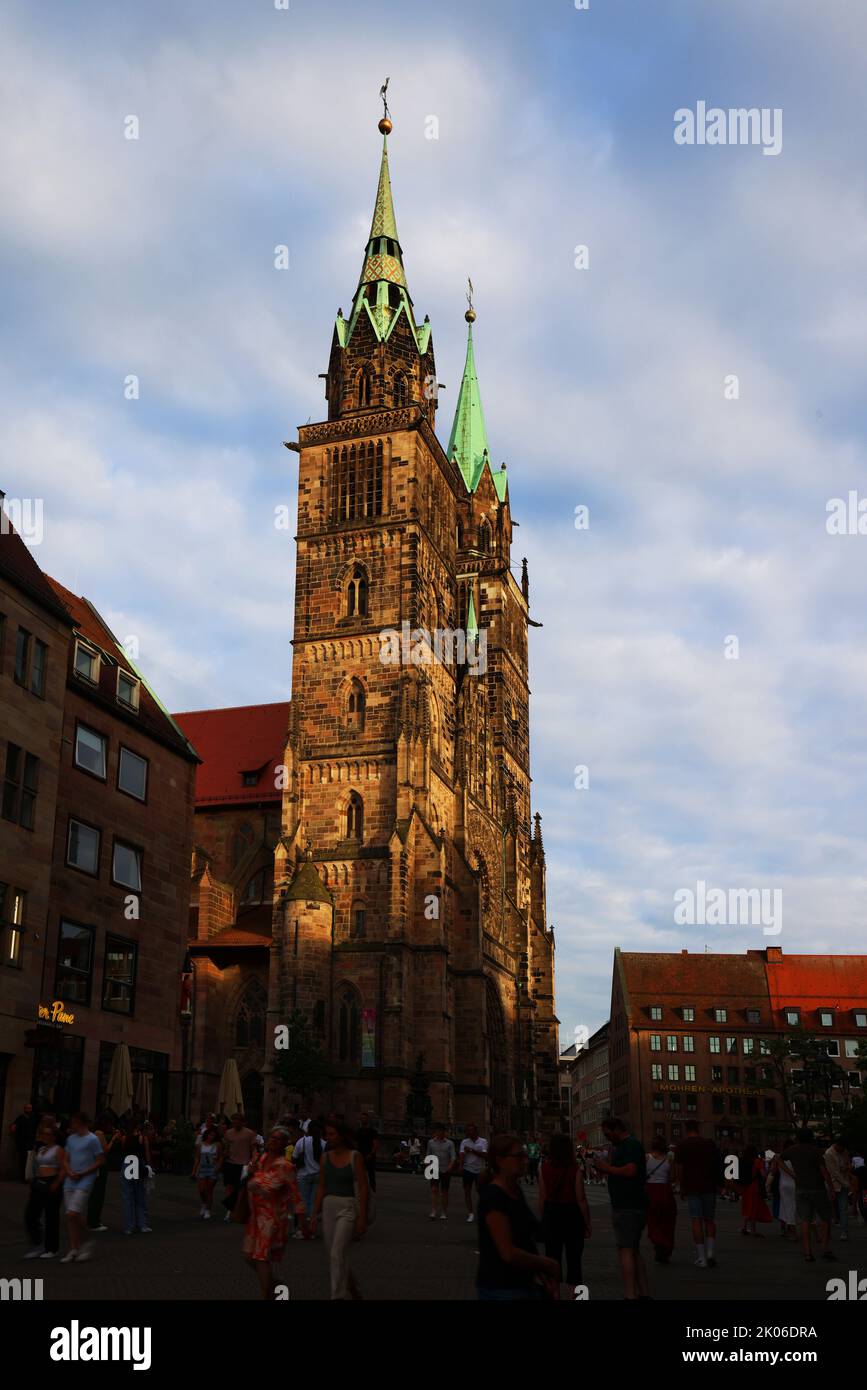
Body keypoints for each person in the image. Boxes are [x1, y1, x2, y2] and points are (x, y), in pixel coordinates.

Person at [476, 1134, 561, 1300]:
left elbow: (527, 1238)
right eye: (518, 1156)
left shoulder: (515, 1190)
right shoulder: (494, 1197)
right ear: (500, 1160)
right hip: (500, 1286)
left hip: (522, 1283)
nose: (525, 1161)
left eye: (525, 1156)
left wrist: (543, 1273)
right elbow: (507, 1252)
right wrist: (546, 1263)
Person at [243, 1127, 307, 1299]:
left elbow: (296, 1196)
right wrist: (250, 1173)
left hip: (272, 1218)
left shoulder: (286, 1167)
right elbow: (254, 1180)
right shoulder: (261, 1159)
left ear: (286, 1144)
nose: (274, 1141)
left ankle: (267, 1295)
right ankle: (275, 1284)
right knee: (248, 1256)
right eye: (272, 1137)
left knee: (262, 1257)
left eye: (279, 1139)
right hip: (255, 1216)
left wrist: (303, 1222)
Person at [311, 1120, 368, 1300]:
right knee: (335, 1255)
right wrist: (313, 1214)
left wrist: (362, 1217)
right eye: (327, 1135)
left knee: (337, 1252)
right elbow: (321, 1186)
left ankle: (338, 1296)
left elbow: (363, 1187)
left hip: (348, 1206)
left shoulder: (355, 1156)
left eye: (332, 1134)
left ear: (342, 1136)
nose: (328, 1138)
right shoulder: (325, 1157)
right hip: (329, 1206)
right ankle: (353, 1288)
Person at [593, 1116, 649, 1299]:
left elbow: (630, 1170)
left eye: (608, 1133)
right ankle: (643, 1293)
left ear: (617, 1129)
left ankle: (630, 1295)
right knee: (633, 1250)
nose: (608, 1137)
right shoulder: (623, 1147)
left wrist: (607, 1168)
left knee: (625, 1250)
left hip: (628, 1206)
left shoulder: (631, 1145)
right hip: (628, 1205)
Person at [538, 1131, 591, 1284]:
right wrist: (587, 1223)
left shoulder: (543, 1169)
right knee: (574, 1263)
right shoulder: (575, 1170)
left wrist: (543, 1219)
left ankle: (554, 1295)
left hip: (552, 1215)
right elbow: (581, 1199)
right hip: (572, 1216)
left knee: (553, 1261)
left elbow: (542, 1198)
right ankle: (577, 1296)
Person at [781, 1128, 836, 1263]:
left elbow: (778, 1159)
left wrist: (791, 1173)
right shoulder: (815, 1151)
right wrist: (831, 1188)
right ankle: (824, 1248)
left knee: (805, 1220)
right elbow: (824, 1171)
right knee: (825, 1218)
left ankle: (807, 1252)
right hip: (817, 1188)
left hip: (801, 1189)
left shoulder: (792, 1150)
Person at [674, 1119, 721, 1269]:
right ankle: (710, 1252)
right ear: (698, 1128)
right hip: (709, 1186)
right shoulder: (709, 1144)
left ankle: (701, 1257)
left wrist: (681, 1186)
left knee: (696, 1220)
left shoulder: (682, 1145)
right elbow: (716, 1165)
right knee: (709, 1220)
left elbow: (679, 1169)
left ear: (686, 1129)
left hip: (692, 1187)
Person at [60, 1112, 105, 1263]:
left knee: (73, 1213)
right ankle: (74, 1248)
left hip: (85, 1180)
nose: (72, 1125)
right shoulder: (70, 1139)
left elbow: (100, 1160)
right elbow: (65, 1158)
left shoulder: (92, 1139)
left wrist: (84, 1172)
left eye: (74, 1122)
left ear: (82, 1123)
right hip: (70, 1179)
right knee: (71, 1217)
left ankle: (87, 1240)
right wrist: (68, 1170)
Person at [24, 1116, 66, 1259]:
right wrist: (33, 1180)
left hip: (52, 1181)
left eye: (48, 1134)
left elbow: (62, 1169)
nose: (45, 1137)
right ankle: (37, 1243)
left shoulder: (58, 1149)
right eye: (44, 1134)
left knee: (51, 1216)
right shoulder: (40, 1149)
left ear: (54, 1136)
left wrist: (56, 1183)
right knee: (31, 1214)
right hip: (39, 1182)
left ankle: (52, 1248)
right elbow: (36, 1165)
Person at [644, 1134, 677, 1263]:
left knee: (652, 1220)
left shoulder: (646, 1158)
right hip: (665, 1191)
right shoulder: (669, 1160)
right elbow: (673, 1177)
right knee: (667, 1222)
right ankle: (666, 1246)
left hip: (651, 1191)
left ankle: (658, 1241)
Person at [86, 1114, 119, 1233]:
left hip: (95, 1165)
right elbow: (105, 1150)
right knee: (98, 1194)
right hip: (100, 1166)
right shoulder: (99, 1133)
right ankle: (94, 1221)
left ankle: (93, 1219)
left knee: (96, 1193)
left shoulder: (93, 1133)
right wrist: (114, 1139)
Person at [221, 1113, 257, 1222]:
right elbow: (226, 1148)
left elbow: (254, 1148)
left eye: (238, 1121)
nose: (235, 1123)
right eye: (234, 1121)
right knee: (229, 1187)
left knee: (241, 1189)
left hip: (244, 1164)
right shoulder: (228, 1133)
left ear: (242, 1122)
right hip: (230, 1163)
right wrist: (222, 1160)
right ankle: (229, 1210)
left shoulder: (249, 1133)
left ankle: (239, 1210)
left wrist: (253, 1160)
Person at [120, 1117, 152, 1235]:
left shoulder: (124, 1138)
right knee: (140, 1196)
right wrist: (149, 1168)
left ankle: (128, 1227)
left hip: (127, 1164)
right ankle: (142, 1224)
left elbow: (123, 1152)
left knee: (127, 1197)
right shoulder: (142, 1138)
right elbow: (147, 1155)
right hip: (138, 1164)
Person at [293, 1121, 323, 1228]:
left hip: (303, 1175)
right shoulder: (323, 1143)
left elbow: (294, 1157)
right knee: (313, 1203)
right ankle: (311, 1226)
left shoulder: (302, 1141)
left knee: (304, 1202)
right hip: (318, 1175)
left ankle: (303, 1227)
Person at [738, 1145, 772, 1235]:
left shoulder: (742, 1160)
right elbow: (763, 1174)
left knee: (747, 1206)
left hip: (745, 1187)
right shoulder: (757, 1161)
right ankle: (753, 1229)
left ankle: (744, 1227)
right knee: (754, 1207)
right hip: (754, 1187)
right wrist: (769, 1170)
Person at [458, 1124, 489, 1223]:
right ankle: (470, 1213)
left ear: (476, 1132)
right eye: (468, 1131)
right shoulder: (464, 1142)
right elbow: (462, 1154)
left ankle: (483, 1211)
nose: (469, 1133)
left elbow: (485, 1155)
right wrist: (461, 1166)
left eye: (471, 1131)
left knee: (481, 1191)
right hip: (468, 1168)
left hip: (480, 1169)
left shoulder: (483, 1141)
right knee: (467, 1191)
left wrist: (471, 1150)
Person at [426, 1123, 456, 1221]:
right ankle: (434, 1211)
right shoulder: (431, 1142)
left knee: (444, 1192)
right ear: (435, 1132)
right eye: (438, 1131)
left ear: (444, 1132)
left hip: (445, 1169)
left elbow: (453, 1157)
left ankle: (444, 1212)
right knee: (434, 1190)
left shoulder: (449, 1143)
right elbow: (428, 1155)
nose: (440, 1133)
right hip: (434, 1169)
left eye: (442, 1131)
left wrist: (450, 1166)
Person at [824, 1138, 852, 1242]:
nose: (843, 1150)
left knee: (843, 1209)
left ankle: (844, 1231)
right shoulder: (829, 1153)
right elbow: (834, 1172)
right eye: (842, 1148)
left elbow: (848, 1164)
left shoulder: (844, 1151)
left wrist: (847, 1168)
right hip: (833, 1184)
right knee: (829, 1209)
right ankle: (828, 1232)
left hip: (843, 1182)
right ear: (837, 1145)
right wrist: (846, 1184)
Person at [193, 1124, 223, 1219]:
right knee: (202, 1190)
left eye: (213, 1135)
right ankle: (204, 1203)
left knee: (209, 1190)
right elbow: (197, 1158)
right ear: (206, 1135)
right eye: (209, 1135)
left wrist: (218, 1167)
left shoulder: (217, 1145)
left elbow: (220, 1157)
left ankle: (207, 1210)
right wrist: (194, 1170)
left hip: (212, 1169)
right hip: (202, 1168)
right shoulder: (200, 1145)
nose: (211, 1137)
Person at [10, 1102, 38, 1182]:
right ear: (24, 1109)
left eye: (30, 1108)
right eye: (27, 1108)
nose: (29, 1109)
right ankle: (23, 1177)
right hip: (22, 1143)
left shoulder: (34, 1118)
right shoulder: (21, 1117)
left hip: (30, 1142)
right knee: (22, 1160)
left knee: (29, 1161)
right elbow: (13, 1126)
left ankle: (28, 1177)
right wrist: (14, 1128)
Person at [355, 1113, 379, 1193]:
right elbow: (356, 1143)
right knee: (360, 1173)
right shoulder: (358, 1131)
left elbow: (375, 1144)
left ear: (368, 1119)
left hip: (369, 1155)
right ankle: (361, 1188)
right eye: (362, 1118)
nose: (363, 1119)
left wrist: (371, 1154)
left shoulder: (373, 1131)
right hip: (360, 1155)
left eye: (365, 1118)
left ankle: (372, 1188)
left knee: (371, 1173)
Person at [851, 1155, 867, 1225]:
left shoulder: (858, 1171)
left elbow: (855, 1187)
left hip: (863, 1192)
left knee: (863, 1206)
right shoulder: (859, 1170)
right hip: (864, 1191)